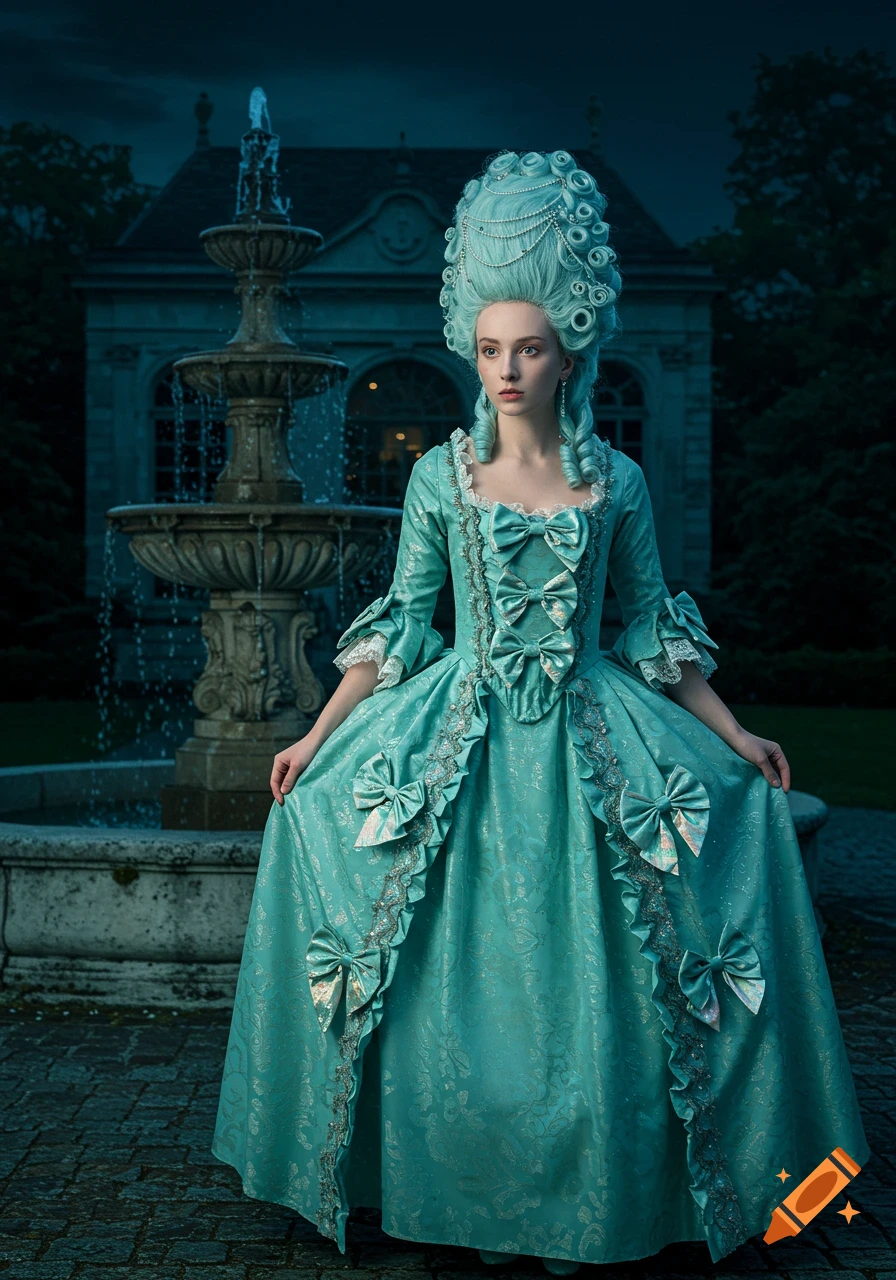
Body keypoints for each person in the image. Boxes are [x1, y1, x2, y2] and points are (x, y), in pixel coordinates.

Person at [212, 149, 869, 1272]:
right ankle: (435, 1181)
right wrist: (314, 737)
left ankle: (662, 1186)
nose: (505, 368)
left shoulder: (615, 481)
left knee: (627, 964)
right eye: (487, 348)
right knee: (429, 966)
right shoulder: (437, 479)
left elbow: (650, 626)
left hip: (591, 739)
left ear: (569, 349)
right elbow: (401, 625)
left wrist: (733, 731)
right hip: (459, 739)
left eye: (527, 347)